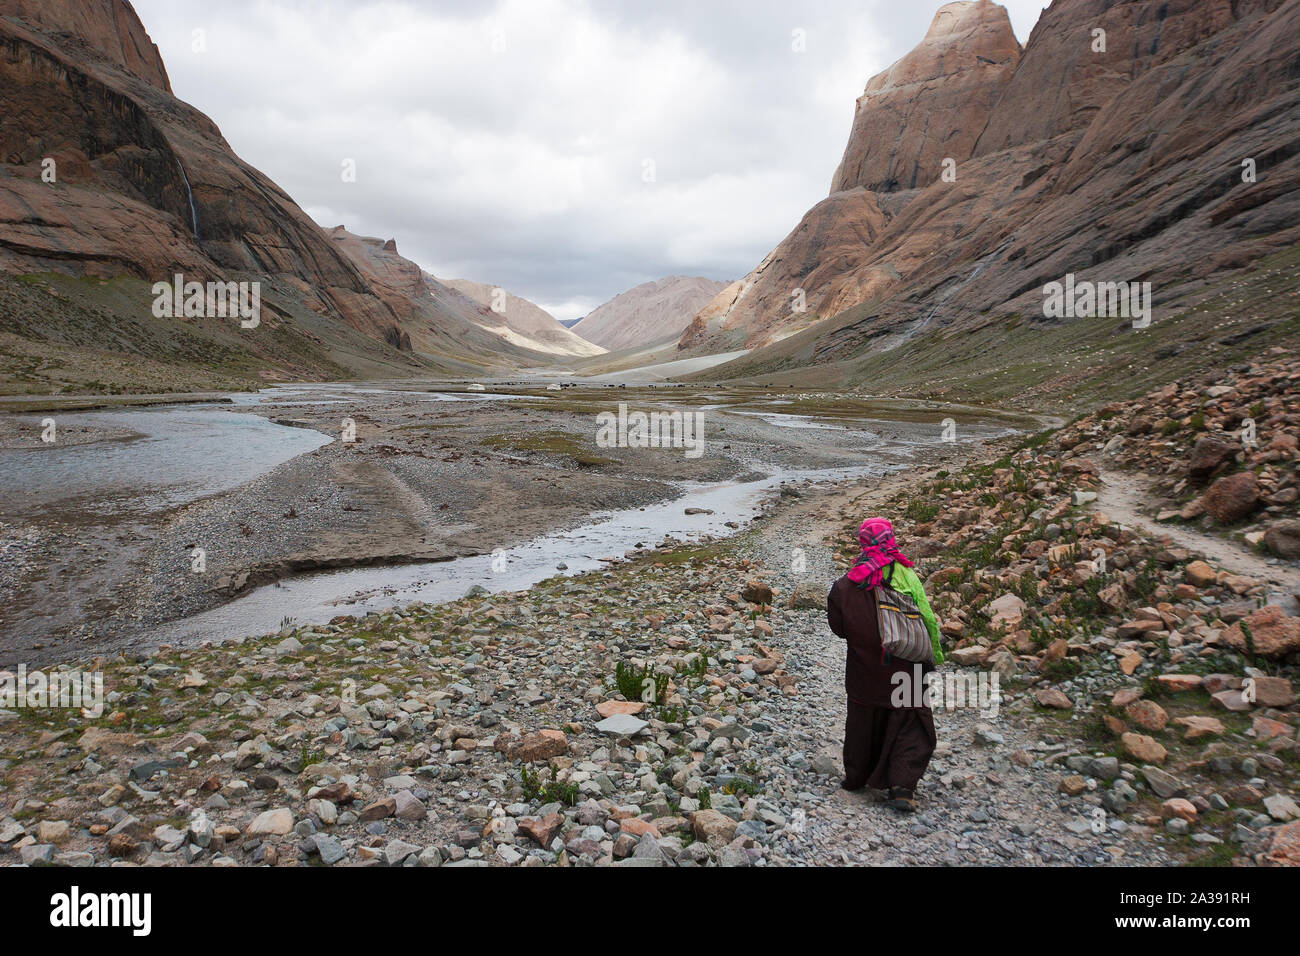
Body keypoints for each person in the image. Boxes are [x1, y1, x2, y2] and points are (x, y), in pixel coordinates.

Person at [827, 516, 944, 812]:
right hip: (908, 670)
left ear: (862, 543)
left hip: (865, 672)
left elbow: (838, 628)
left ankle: (856, 777)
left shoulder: (846, 585)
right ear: (890, 539)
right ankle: (902, 787)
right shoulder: (907, 575)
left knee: (862, 723)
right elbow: (928, 619)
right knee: (910, 723)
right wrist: (933, 655)